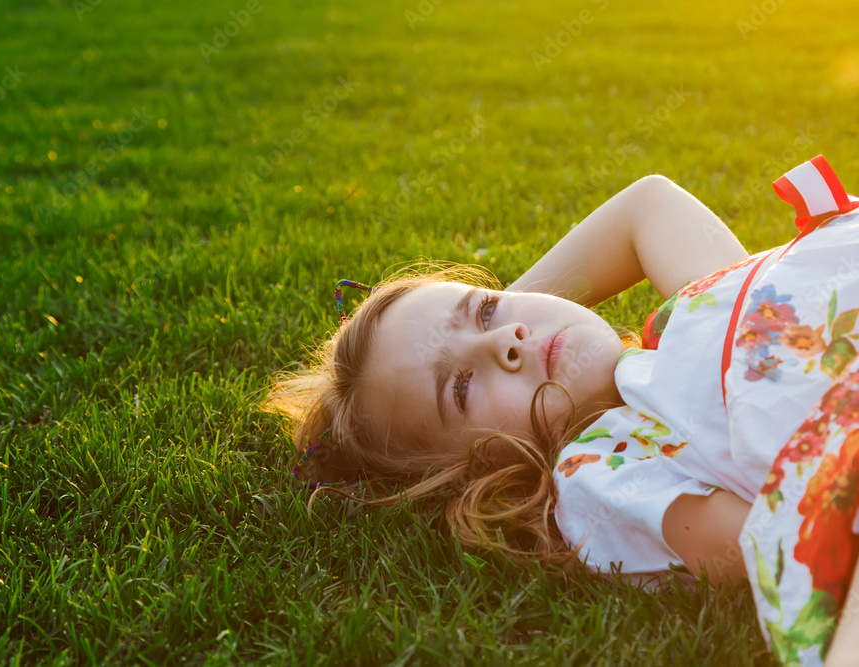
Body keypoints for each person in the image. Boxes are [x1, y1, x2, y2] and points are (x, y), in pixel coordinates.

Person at [264, 156, 859, 666]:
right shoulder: (598, 475)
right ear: (474, 469)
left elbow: (646, 206)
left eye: (487, 311)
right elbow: (784, 536)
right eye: (463, 387)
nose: (507, 341)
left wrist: (517, 317)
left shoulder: (685, 326)